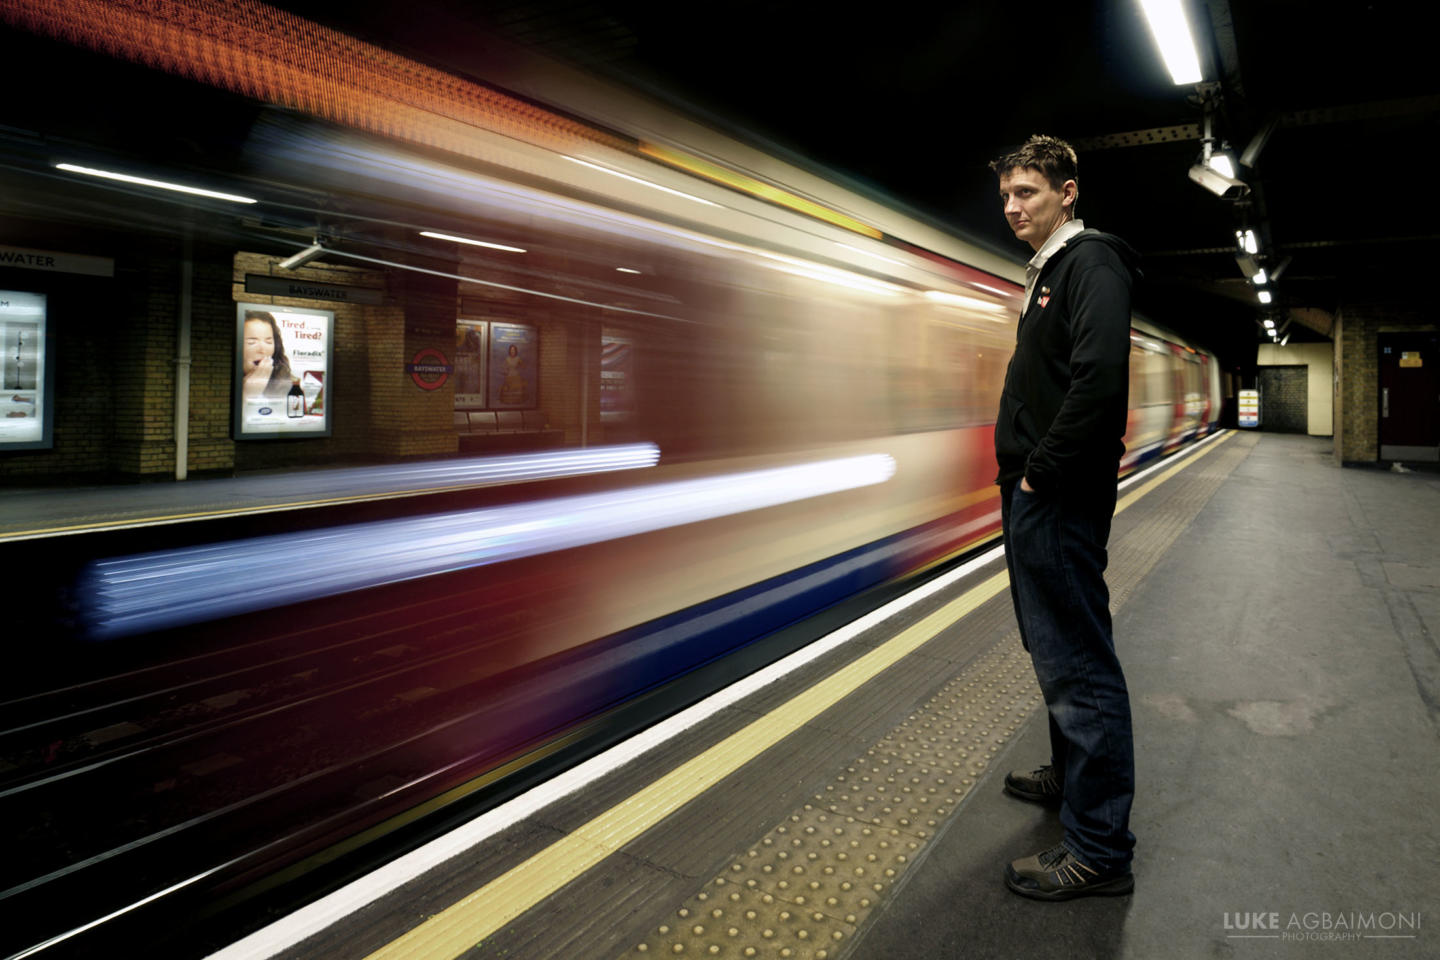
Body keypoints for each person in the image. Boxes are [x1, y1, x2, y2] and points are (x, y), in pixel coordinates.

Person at [990, 135, 1140, 900]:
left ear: (1067, 192)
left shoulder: (1092, 262)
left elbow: (1099, 378)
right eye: (1009, 195)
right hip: (1037, 491)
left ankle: (1098, 850)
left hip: (1057, 495)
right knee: (1055, 652)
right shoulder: (1048, 271)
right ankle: (1070, 781)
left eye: (1029, 192)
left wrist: (1040, 475)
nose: (1013, 207)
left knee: (1079, 662)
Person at [241, 310, 296, 400]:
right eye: (251, 342)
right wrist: (246, 394)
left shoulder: (286, 382)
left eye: (269, 342)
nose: (262, 350)